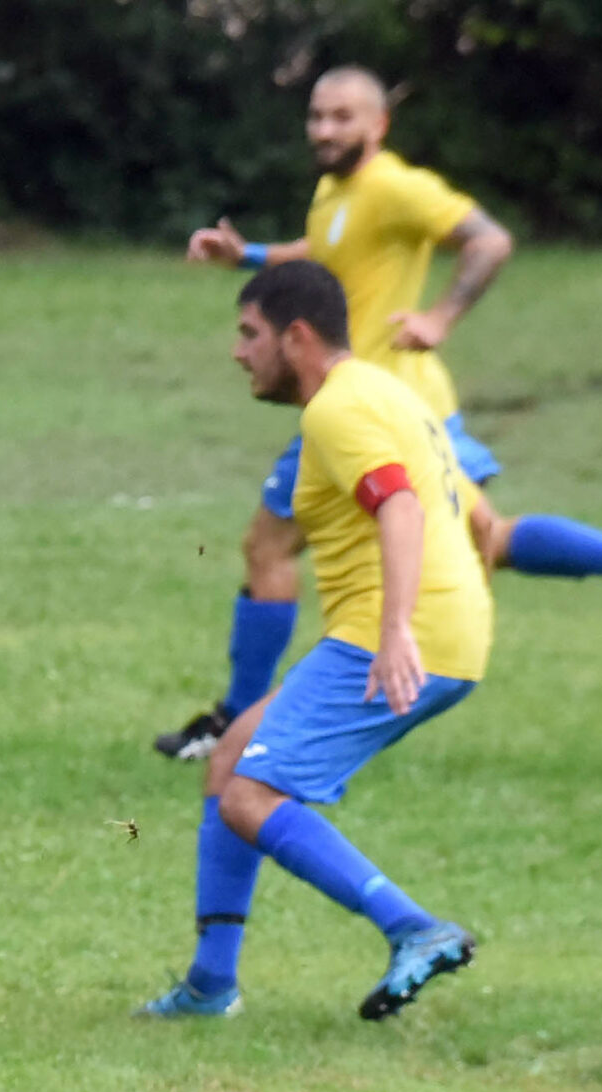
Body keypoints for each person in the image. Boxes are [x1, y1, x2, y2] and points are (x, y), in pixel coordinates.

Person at [156, 66, 602, 763]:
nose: (325, 130)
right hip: (413, 404)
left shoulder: (396, 186)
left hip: (367, 405)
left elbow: (490, 240)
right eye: (317, 116)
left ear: (379, 123)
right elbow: (328, 252)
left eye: (343, 117)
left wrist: (442, 315)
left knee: (267, 549)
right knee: (482, 538)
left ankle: (232, 723)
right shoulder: (339, 190)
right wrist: (252, 256)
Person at [141, 263, 487, 1022]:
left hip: (397, 634)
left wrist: (397, 629)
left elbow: (398, 504)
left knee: (249, 794)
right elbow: (475, 514)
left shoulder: (338, 410)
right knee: (232, 754)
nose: (239, 353)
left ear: (296, 336)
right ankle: (209, 985)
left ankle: (414, 928)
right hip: (431, 626)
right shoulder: (389, 391)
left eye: (249, 334)